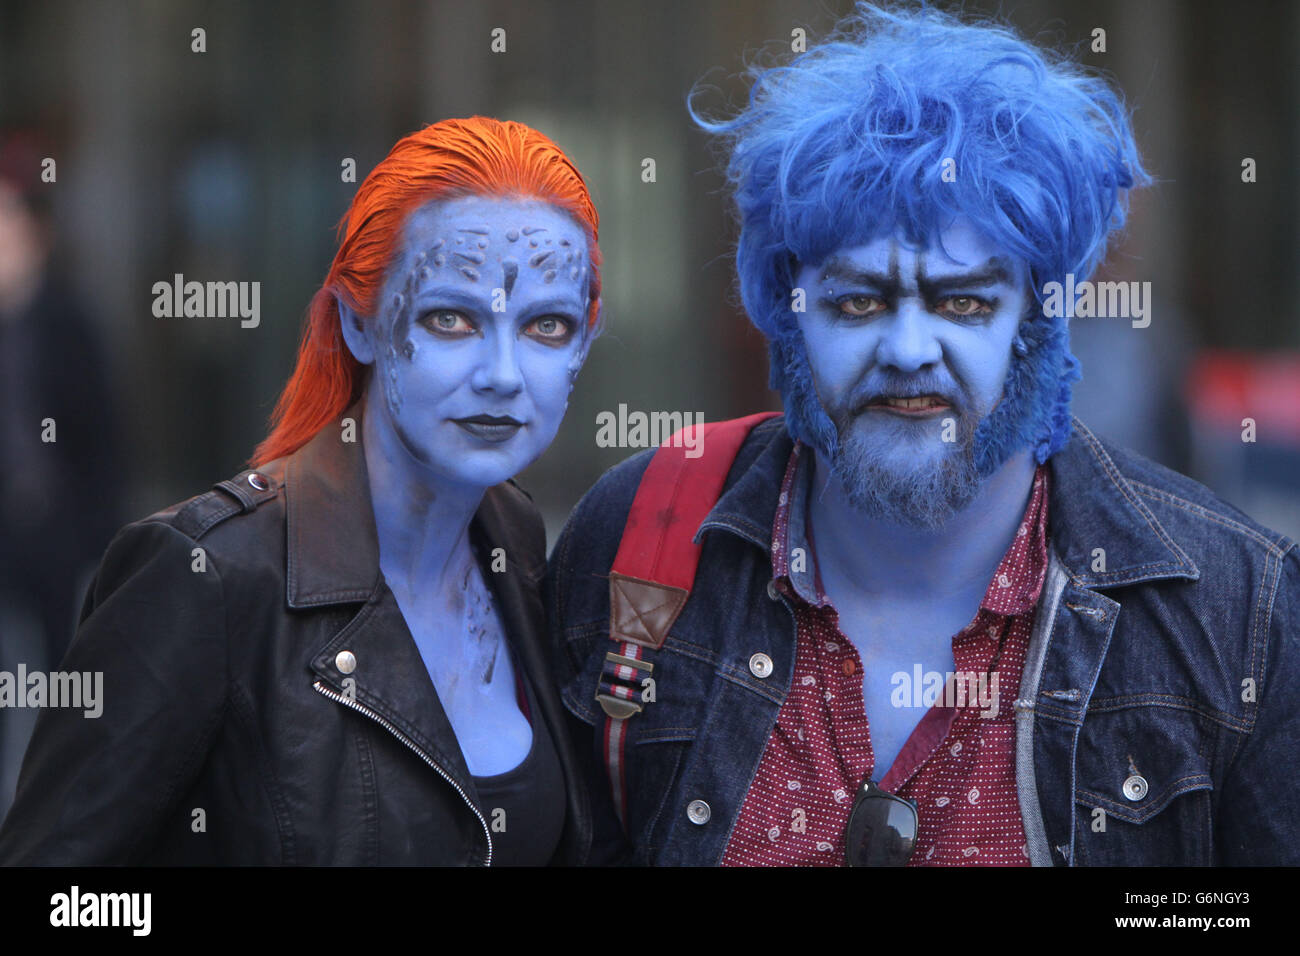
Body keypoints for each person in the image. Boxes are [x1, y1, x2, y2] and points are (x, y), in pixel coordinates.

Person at [546, 4, 1300, 865]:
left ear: (1038, 323)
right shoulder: (632, 537)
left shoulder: (1240, 612)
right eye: (857, 302)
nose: (908, 351)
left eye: (964, 301)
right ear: (788, 316)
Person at [0, 117, 606, 865]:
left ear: (585, 341)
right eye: (450, 319)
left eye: (548, 326)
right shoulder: (206, 577)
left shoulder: (518, 547)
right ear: (359, 323)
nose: (503, 375)